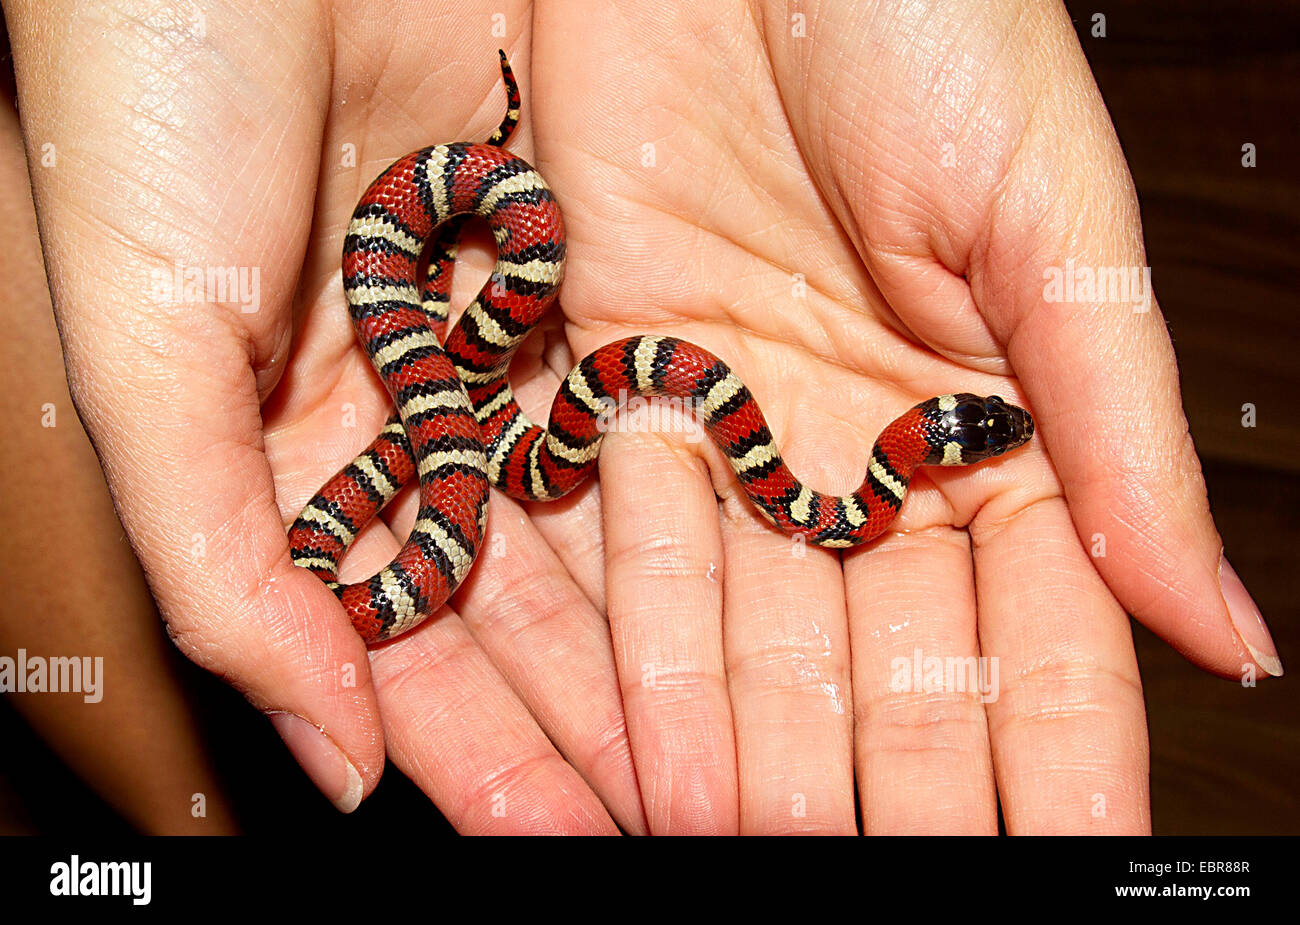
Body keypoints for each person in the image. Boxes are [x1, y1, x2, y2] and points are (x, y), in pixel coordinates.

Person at [1, 0, 1280, 834]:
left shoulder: (804, 483)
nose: (967, 424)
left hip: (470, 405)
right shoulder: (813, 482)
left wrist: (441, 432)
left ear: (925, 440)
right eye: (965, 424)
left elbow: (516, 437)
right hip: (464, 379)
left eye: (955, 427)